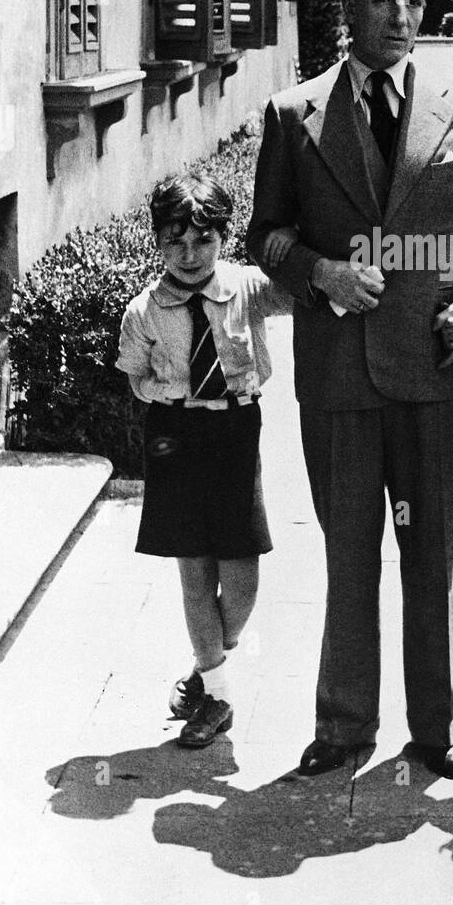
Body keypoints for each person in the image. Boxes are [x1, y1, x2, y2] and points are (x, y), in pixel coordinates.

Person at [247, 0, 453, 780]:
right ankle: (342, 724)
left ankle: (437, 727)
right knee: (348, 555)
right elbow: (264, 235)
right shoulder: (294, 115)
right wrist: (318, 271)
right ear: (352, 8)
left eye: (416, 4)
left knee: (429, 558)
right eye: (386, 2)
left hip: (433, 365)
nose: (403, 20)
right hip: (337, 373)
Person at [116, 173, 292, 748]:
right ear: (157, 242)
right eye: (175, 242)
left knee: (241, 569)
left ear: (224, 237)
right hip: (174, 435)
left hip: (236, 427)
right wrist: (160, 394)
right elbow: (135, 378)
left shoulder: (248, 286)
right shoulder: (143, 310)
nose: (189, 256)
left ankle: (204, 667)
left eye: (203, 241)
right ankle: (218, 698)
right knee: (194, 568)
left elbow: (303, 288)